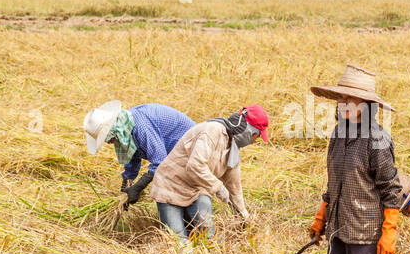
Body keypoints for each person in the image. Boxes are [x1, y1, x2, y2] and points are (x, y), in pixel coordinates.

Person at [307, 65, 401, 254]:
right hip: (339, 226)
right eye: (341, 98)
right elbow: (333, 182)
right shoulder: (338, 133)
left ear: (366, 105)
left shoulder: (377, 139)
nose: (343, 103)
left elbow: (391, 189)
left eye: (351, 99)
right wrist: (321, 217)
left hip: (366, 231)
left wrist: (388, 231)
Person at [149, 105, 269, 242]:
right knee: (177, 241)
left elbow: (234, 187)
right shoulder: (213, 131)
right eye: (256, 136)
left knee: (207, 235)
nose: (254, 142)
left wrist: (244, 216)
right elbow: (195, 165)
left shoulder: (233, 149)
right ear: (248, 131)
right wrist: (218, 188)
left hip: (197, 188)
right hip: (170, 187)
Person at [82, 102, 195, 208]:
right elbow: (133, 156)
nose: (109, 142)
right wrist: (126, 186)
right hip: (176, 154)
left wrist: (138, 187)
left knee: (165, 194)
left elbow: (160, 162)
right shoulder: (127, 125)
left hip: (192, 149)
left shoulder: (141, 127)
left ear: (114, 131)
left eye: (108, 139)